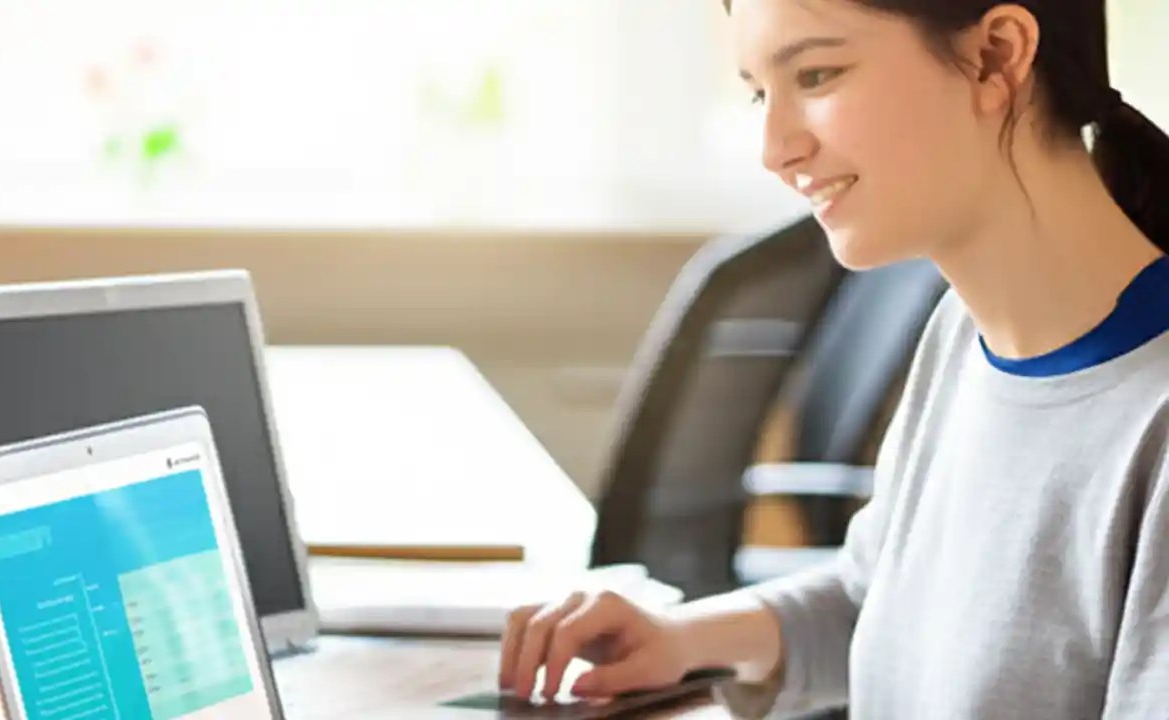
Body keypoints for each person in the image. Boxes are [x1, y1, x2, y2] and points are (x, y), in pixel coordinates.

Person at [498, 0, 1169, 717]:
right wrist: (681, 637)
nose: (774, 148)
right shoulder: (961, 338)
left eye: (816, 75)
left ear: (997, 56)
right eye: (760, 92)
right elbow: (875, 599)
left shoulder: (1150, 424)